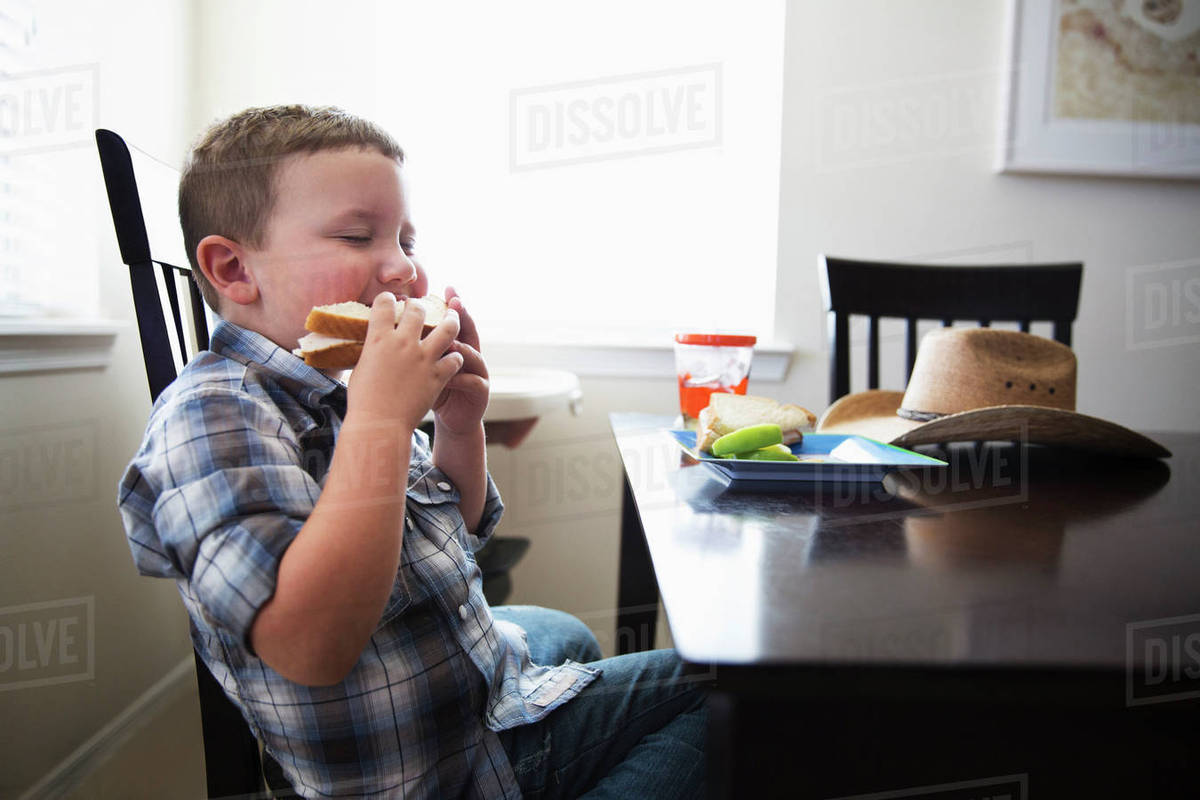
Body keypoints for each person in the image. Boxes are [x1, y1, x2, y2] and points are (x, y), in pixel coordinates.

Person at [116, 104, 707, 799]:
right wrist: (383, 422)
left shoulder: (338, 389)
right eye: (358, 235)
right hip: (431, 772)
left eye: (406, 239)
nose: (404, 270)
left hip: (452, 700)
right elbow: (311, 646)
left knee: (562, 633)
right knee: (725, 693)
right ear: (234, 268)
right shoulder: (211, 418)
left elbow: (450, 528)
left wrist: (458, 428)